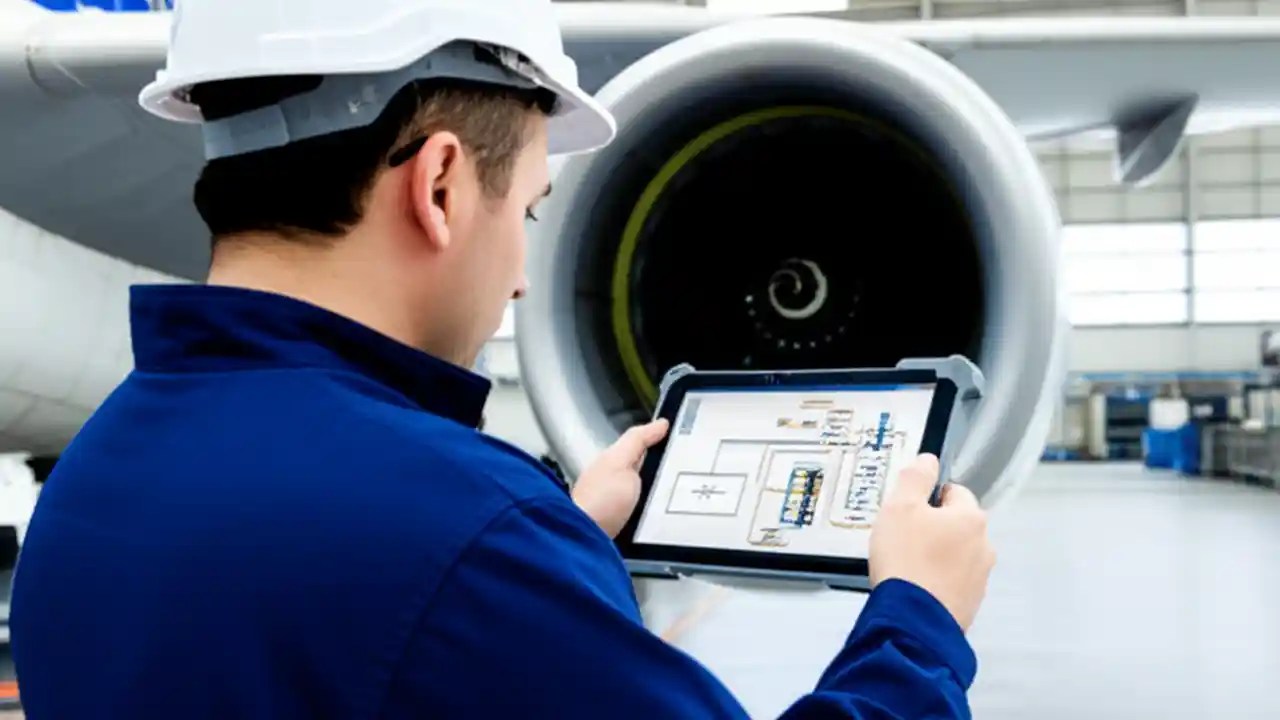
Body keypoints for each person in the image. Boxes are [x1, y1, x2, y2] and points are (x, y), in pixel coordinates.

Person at [9, 1, 995, 717]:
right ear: (440, 185)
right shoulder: (460, 534)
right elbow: (407, 580)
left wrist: (552, 550)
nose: (522, 279)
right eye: (526, 210)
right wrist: (918, 622)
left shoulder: (97, 478)